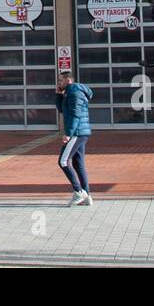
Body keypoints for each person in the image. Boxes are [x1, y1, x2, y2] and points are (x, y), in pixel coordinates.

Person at [56, 70, 93, 206]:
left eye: (61, 80)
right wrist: (58, 95)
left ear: (68, 80)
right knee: (78, 163)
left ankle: (78, 192)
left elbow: (75, 115)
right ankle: (87, 194)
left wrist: (68, 134)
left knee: (63, 161)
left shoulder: (75, 93)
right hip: (80, 132)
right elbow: (62, 110)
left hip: (77, 132)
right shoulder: (69, 93)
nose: (59, 83)